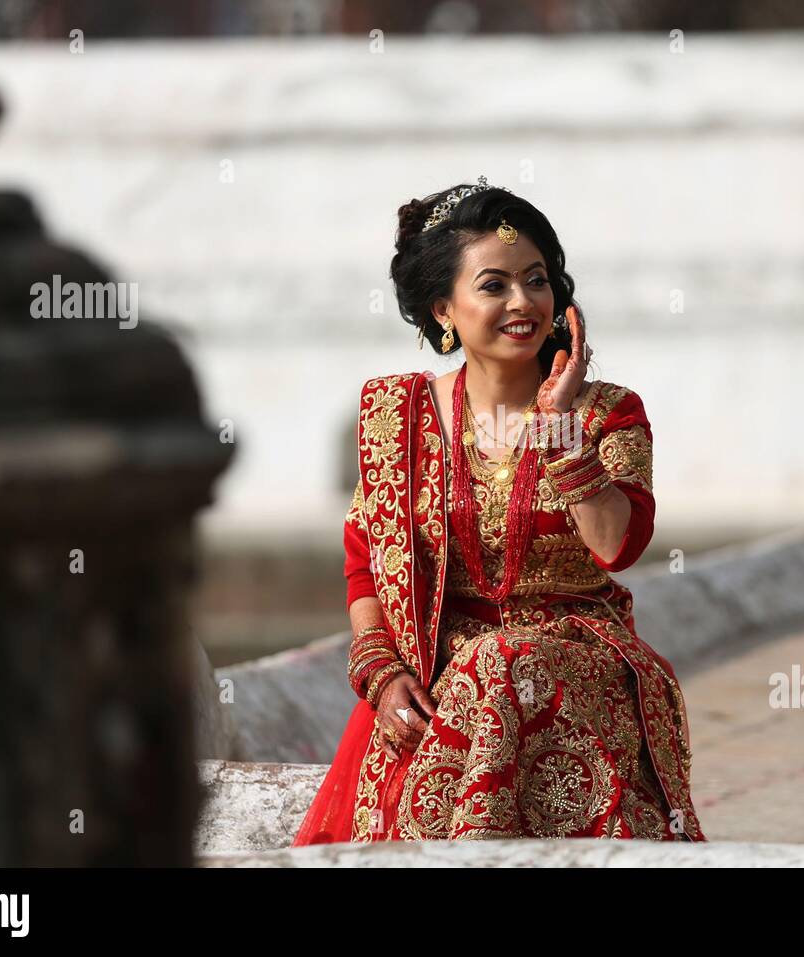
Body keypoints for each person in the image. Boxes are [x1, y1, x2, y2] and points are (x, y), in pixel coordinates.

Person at [290, 176, 705, 843]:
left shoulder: (607, 411)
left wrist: (560, 427)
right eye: (494, 285)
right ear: (443, 311)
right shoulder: (401, 419)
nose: (523, 301)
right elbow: (366, 563)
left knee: (500, 660)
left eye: (536, 279)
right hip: (437, 680)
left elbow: (615, 547)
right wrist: (383, 672)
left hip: (574, 663)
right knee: (483, 667)